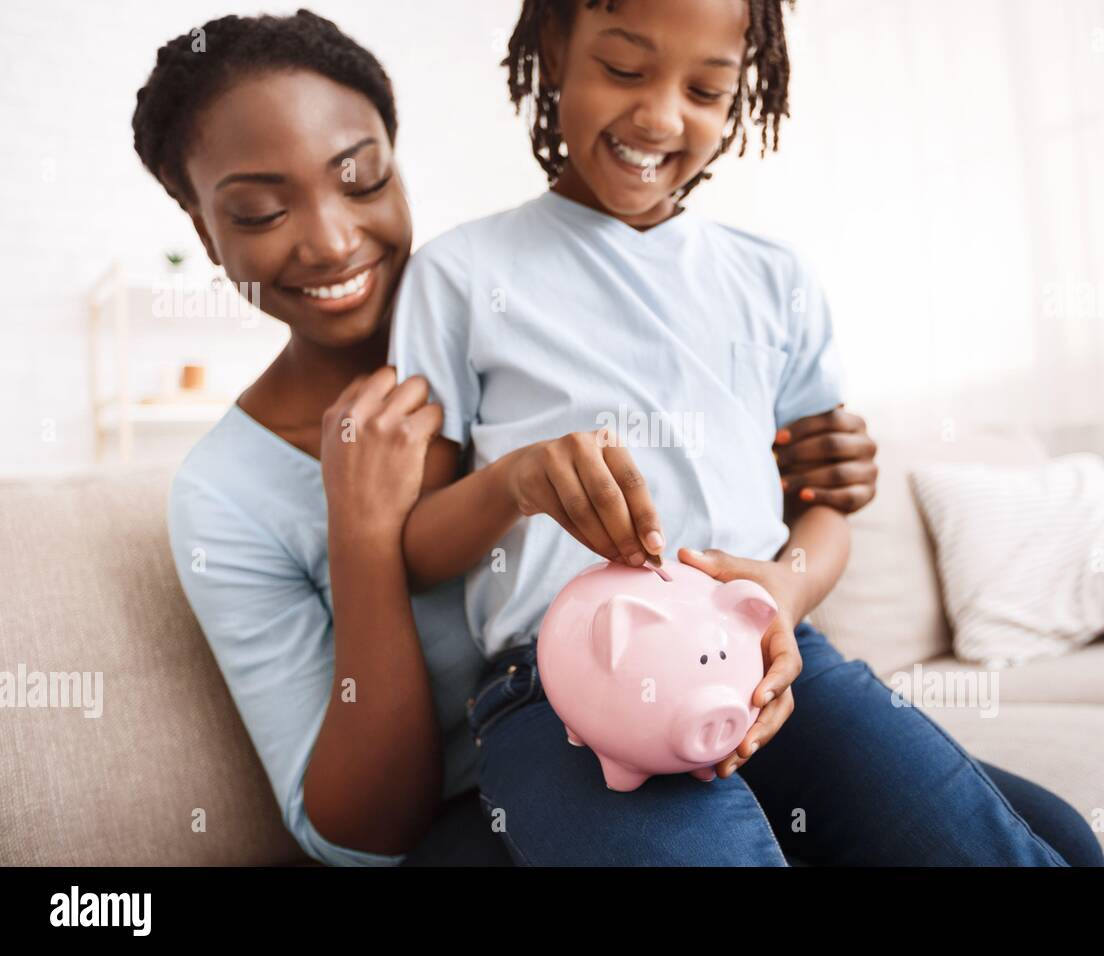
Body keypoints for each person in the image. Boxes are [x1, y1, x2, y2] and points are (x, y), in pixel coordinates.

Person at [133, 8, 879, 865]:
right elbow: (356, 836)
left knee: (1000, 824)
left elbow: (735, 486)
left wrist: (819, 476)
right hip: (512, 794)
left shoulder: (514, 313)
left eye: (363, 180)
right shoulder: (224, 496)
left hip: (712, 700)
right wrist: (363, 534)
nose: (332, 241)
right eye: (262, 211)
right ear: (204, 230)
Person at [386, 0, 1104, 866]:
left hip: (773, 658)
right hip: (562, 686)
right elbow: (418, 549)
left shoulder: (773, 278)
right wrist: (515, 481)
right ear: (554, 47)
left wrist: (785, 593)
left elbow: (826, 510)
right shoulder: (459, 276)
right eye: (624, 69)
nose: (660, 117)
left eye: (706, 90)